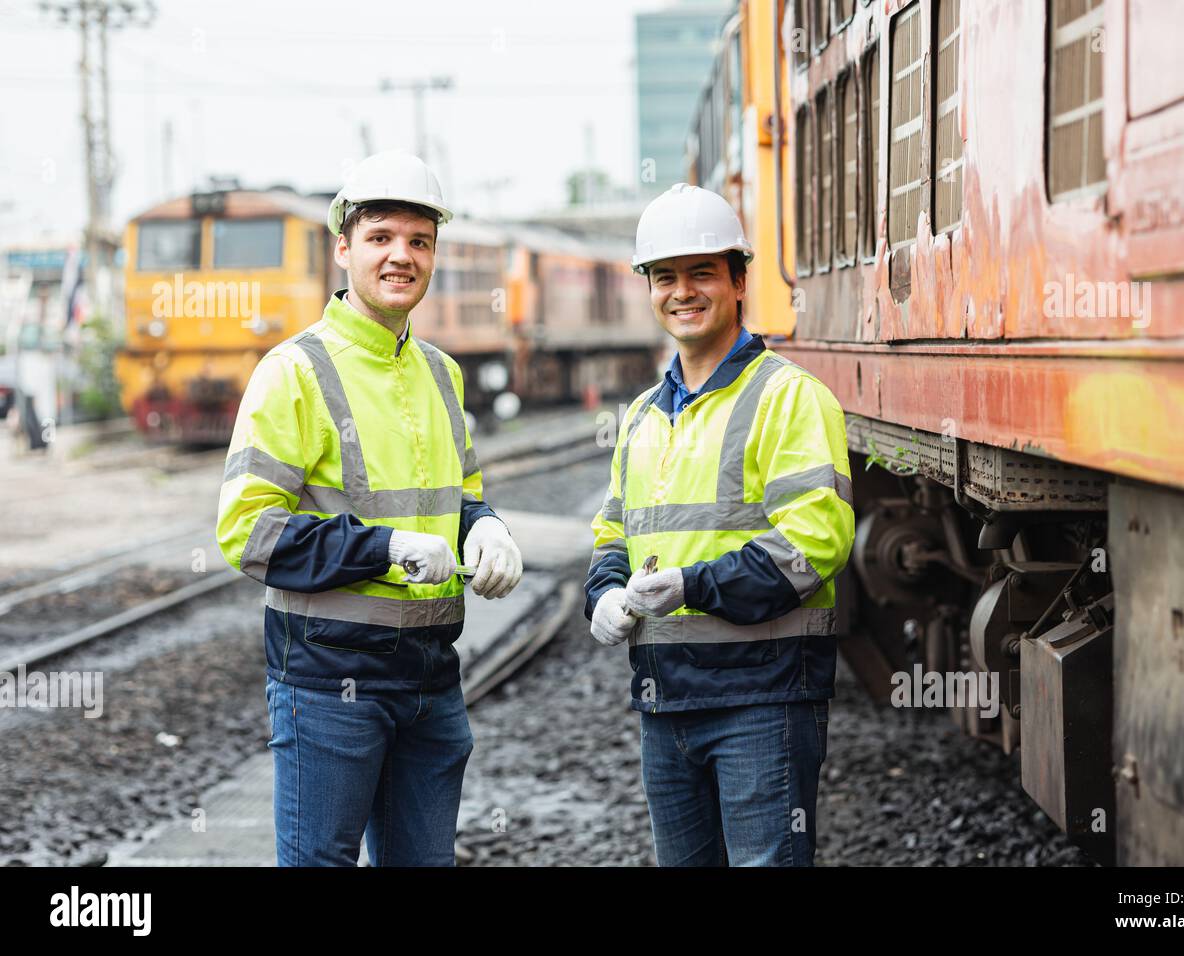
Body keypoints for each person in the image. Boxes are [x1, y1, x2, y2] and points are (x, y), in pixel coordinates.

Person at [216, 150, 523, 866]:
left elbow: (462, 498)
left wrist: (488, 528)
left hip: (431, 682)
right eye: (382, 237)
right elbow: (248, 535)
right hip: (329, 687)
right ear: (344, 248)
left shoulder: (442, 374)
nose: (401, 257)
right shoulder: (294, 372)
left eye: (419, 241)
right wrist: (381, 548)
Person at [586, 182, 854, 866]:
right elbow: (612, 531)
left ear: (739, 280)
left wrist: (692, 586)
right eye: (665, 276)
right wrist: (604, 594)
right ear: (649, 289)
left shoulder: (790, 397)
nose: (683, 291)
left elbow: (813, 544)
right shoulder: (643, 415)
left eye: (702, 272)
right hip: (663, 700)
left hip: (761, 699)